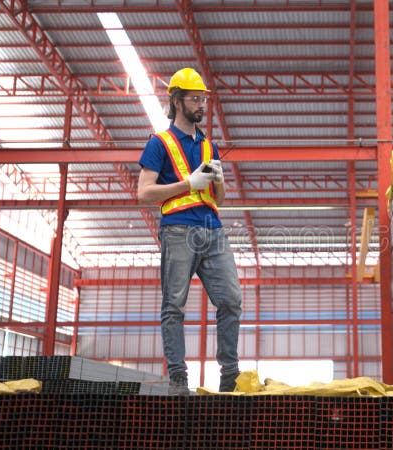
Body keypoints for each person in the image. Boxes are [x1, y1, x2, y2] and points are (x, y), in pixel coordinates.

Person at [137, 67, 242, 395]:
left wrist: (218, 180)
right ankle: (179, 378)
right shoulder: (159, 143)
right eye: (196, 99)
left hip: (212, 230)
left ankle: (229, 374)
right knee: (174, 305)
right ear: (177, 101)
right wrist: (187, 184)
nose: (202, 105)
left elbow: (219, 200)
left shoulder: (208, 145)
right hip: (178, 231)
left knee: (232, 300)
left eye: (204, 99)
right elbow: (144, 193)